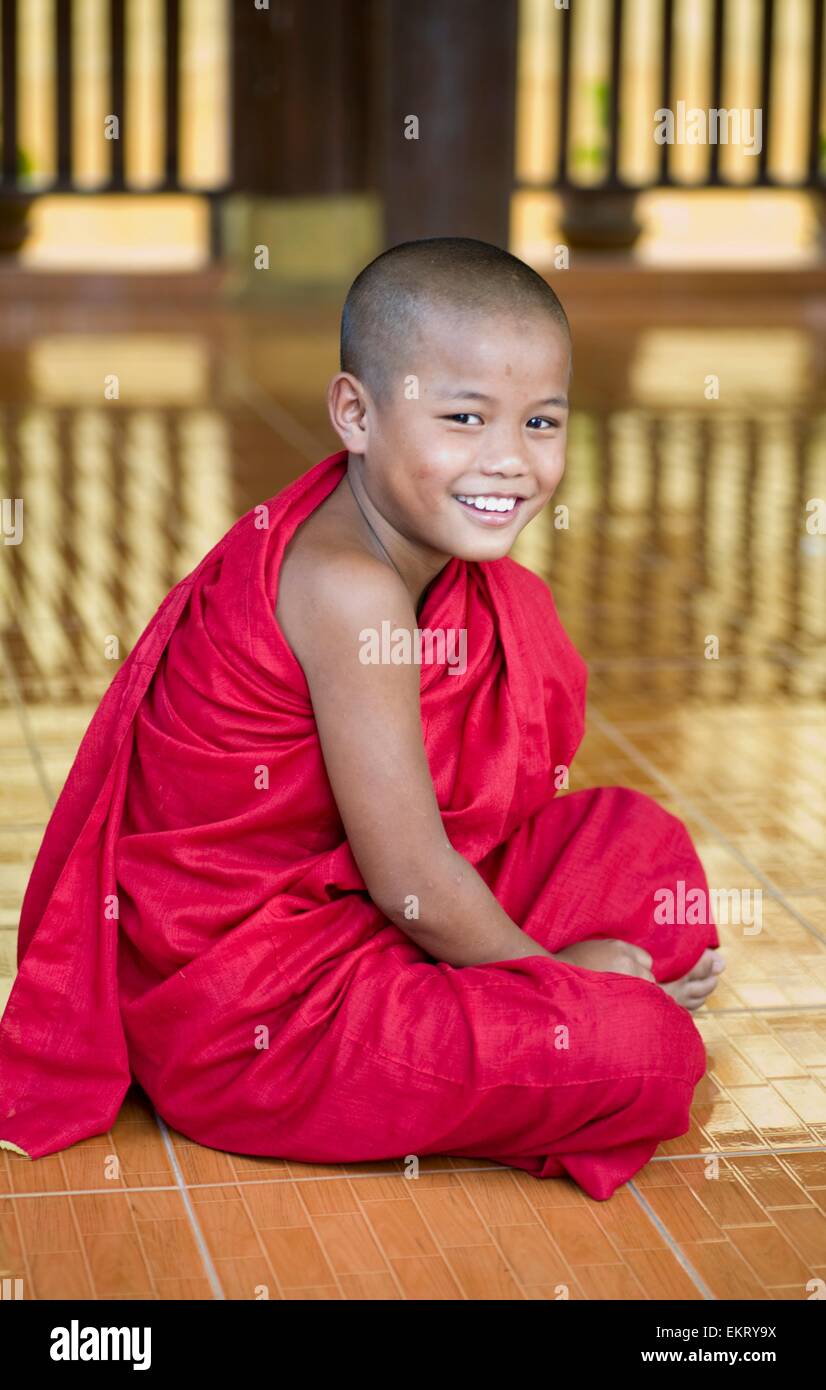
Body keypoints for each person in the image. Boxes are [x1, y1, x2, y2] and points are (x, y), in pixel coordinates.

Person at [0, 237, 725, 1201]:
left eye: (541, 422)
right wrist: (561, 979)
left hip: (372, 928)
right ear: (357, 413)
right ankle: (521, 1018)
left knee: (642, 853)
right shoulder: (349, 590)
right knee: (643, 1050)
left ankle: (491, 1005)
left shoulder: (446, 566)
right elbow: (414, 879)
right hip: (258, 1014)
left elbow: (440, 847)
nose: (508, 461)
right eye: (463, 418)